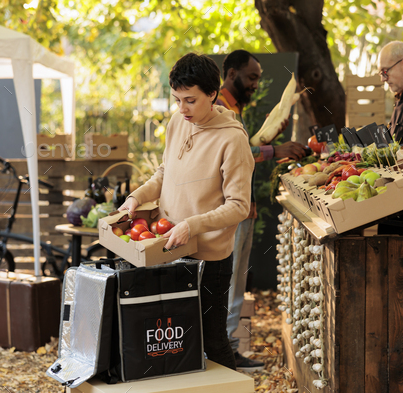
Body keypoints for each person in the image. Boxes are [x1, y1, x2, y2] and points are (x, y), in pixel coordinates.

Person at [118, 53, 254, 370]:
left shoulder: (233, 140)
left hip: (209, 259)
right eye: (177, 99)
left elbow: (239, 207)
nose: (182, 108)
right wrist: (135, 198)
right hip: (167, 246)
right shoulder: (178, 122)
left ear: (213, 94)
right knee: (174, 340)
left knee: (213, 341)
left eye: (190, 100)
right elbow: (164, 173)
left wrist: (192, 226)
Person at [216, 50, 307, 371]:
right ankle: (226, 352)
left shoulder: (233, 108)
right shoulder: (220, 108)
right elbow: (237, 155)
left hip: (239, 208)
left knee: (236, 279)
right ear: (231, 74)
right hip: (227, 211)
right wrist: (274, 149)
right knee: (231, 279)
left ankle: (228, 349)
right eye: (252, 77)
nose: (256, 83)